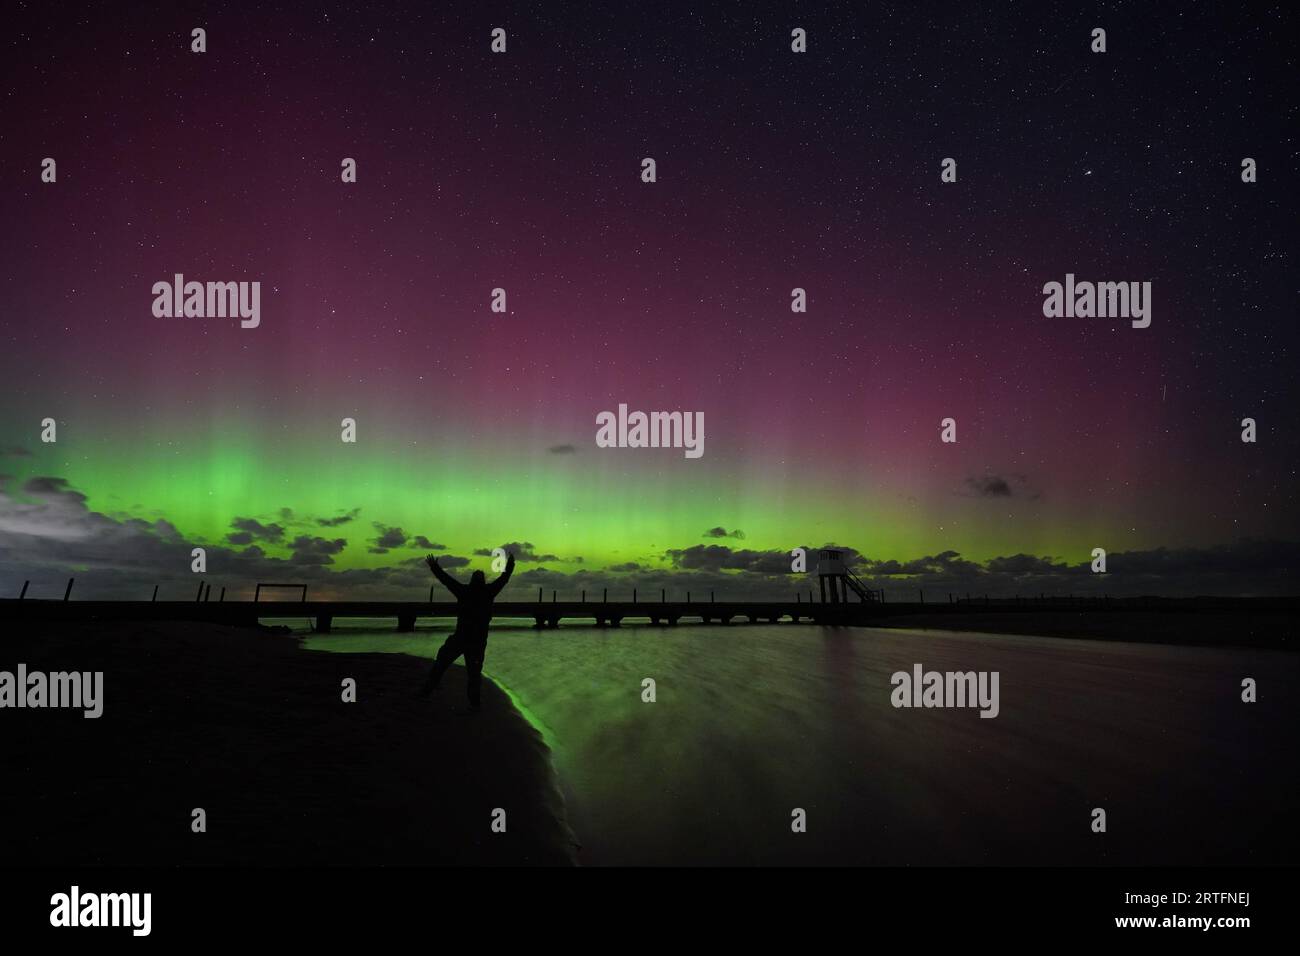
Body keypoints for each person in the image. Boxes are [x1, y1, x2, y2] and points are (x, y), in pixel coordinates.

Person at [418, 551, 515, 710]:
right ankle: (474, 703)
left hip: (462, 638)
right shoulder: (488, 592)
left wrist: (435, 567)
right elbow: (504, 578)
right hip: (475, 641)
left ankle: (427, 691)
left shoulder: (464, 591)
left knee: (443, 664)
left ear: (472, 580)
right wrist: (510, 564)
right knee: (473, 674)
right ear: (482, 581)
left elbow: (446, 580)